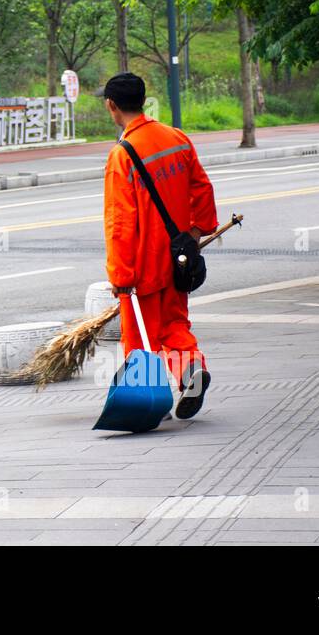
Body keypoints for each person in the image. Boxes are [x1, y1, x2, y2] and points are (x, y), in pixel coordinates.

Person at [100, 73, 219, 419]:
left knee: (140, 339)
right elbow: (203, 189)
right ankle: (190, 371)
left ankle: (147, 406)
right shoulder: (176, 138)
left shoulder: (122, 155)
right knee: (174, 326)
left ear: (112, 106)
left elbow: (119, 223)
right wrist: (197, 233)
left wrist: (120, 274)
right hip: (178, 259)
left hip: (142, 267)